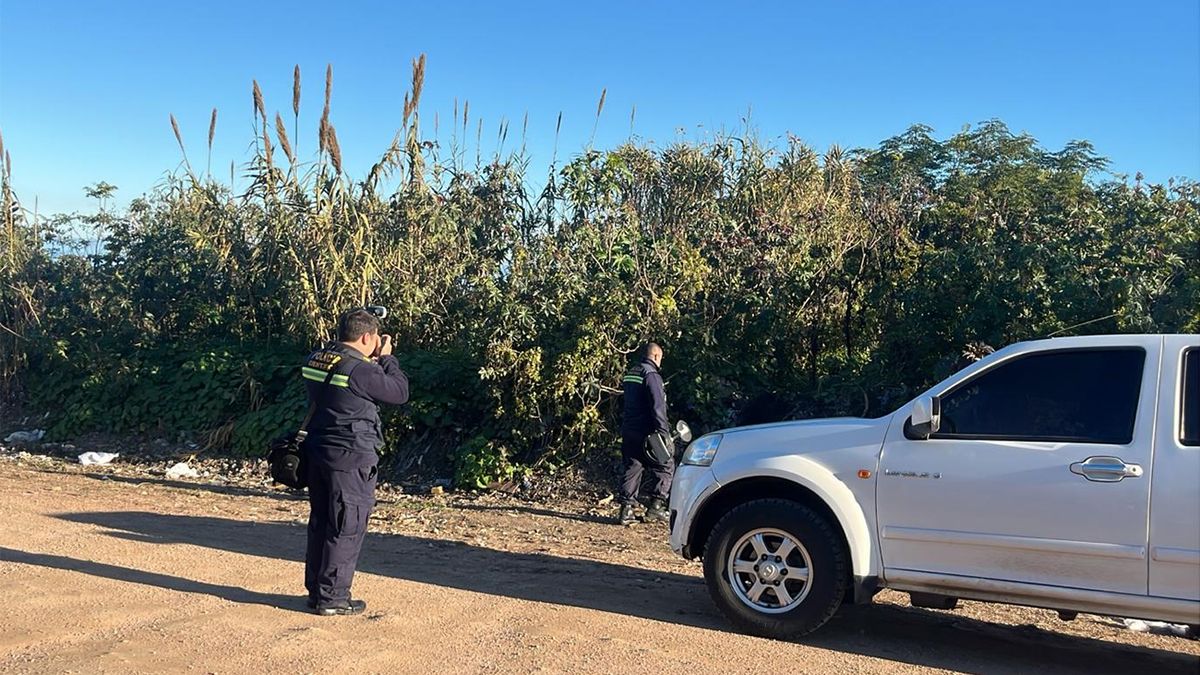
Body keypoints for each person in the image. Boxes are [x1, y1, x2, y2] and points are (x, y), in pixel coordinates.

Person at [301, 308, 409, 615]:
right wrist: (387, 358)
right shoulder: (360, 370)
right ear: (367, 337)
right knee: (347, 525)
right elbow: (399, 392)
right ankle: (333, 598)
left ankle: (317, 593)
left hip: (318, 451)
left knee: (322, 523)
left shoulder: (316, 359)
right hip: (350, 457)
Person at [617, 342, 674, 525]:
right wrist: (663, 433)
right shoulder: (651, 375)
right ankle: (656, 507)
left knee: (633, 467)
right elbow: (658, 407)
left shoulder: (632, 373)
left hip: (630, 429)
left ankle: (626, 511)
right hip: (650, 433)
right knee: (666, 465)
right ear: (656, 356)